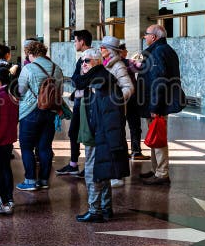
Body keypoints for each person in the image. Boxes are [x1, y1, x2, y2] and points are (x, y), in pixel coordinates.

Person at [73, 48, 129, 222]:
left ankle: (95, 209)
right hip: (93, 132)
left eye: (87, 61)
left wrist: (106, 137)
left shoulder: (101, 82)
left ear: (97, 62)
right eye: (82, 61)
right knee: (101, 171)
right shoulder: (93, 80)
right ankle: (105, 207)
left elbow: (110, 112)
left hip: (97, 134)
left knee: (93, 172)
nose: (83, 64)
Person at [137, 24, 186, 185]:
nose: (144, 36)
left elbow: (158, 82)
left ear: (155, 37)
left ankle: (162, 173)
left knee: (159, 138)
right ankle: (156, 169)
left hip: (158, 104)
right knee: (155, 137)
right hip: (157, 103)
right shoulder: (164, 50)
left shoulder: (158, 52)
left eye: (147, 34)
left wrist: (154, 107)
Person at [15, 40, 63, 191]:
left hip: (30, 111)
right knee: (45, 147)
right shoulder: (57, 68)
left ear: (30, 53)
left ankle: (30, 180)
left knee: (27, 146)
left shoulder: (29, 68)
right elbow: (59, 91)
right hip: (50, 112)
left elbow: (21, 91)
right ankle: (43, 180)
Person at [98, 36, 134, 188]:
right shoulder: (105, 64)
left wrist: (115, 100)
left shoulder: (118, 66)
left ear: (111, 51)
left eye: (103, 48)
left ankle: (117, 175)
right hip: (105, 110)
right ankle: (110, 172)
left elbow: (129, 88)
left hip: (114, 110)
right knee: (108, 141)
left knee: (116, 141)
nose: (101, 50)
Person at [56, 29, 92, 177]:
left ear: (82, 42)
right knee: (74, 132)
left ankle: (84, 165)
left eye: (75, 41)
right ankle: (73, 164)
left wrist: (75, 80)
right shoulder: (85, 56)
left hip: (85, 100)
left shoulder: (88, 57)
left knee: (84, 133)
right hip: (80, 98)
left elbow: (80, 80)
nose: (74, 43)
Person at [0, 66, 18, 215]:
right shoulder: (11, 95)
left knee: (0, 171)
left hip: (0, 139)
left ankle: (5, 202)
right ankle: (8, 198)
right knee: (6, 168)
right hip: (9, 137)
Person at [120, 44, 147, 161]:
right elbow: (141, 67)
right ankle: (136, 151)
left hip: (117, 99)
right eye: (125, 50)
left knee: (119, 126)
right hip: (131, 98)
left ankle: (122, 152)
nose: (126, 51)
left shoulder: (108, 64)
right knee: (134, 126)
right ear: (120, 51)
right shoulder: (127, 62)